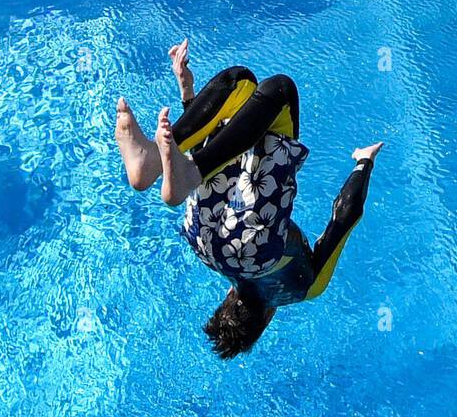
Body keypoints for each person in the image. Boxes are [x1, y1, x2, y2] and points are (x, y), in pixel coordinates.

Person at [114, 41, 383, 358]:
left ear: (267, 318)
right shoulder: (222, 268)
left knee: (279, 91)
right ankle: (154, 162)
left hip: (255, 247)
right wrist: (188, 92)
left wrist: (364, 163)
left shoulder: (303, 289)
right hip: (203, 242)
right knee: (240, 82)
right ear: (229, 294)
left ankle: (167, 166)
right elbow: (217, 158)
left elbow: (345, 217)